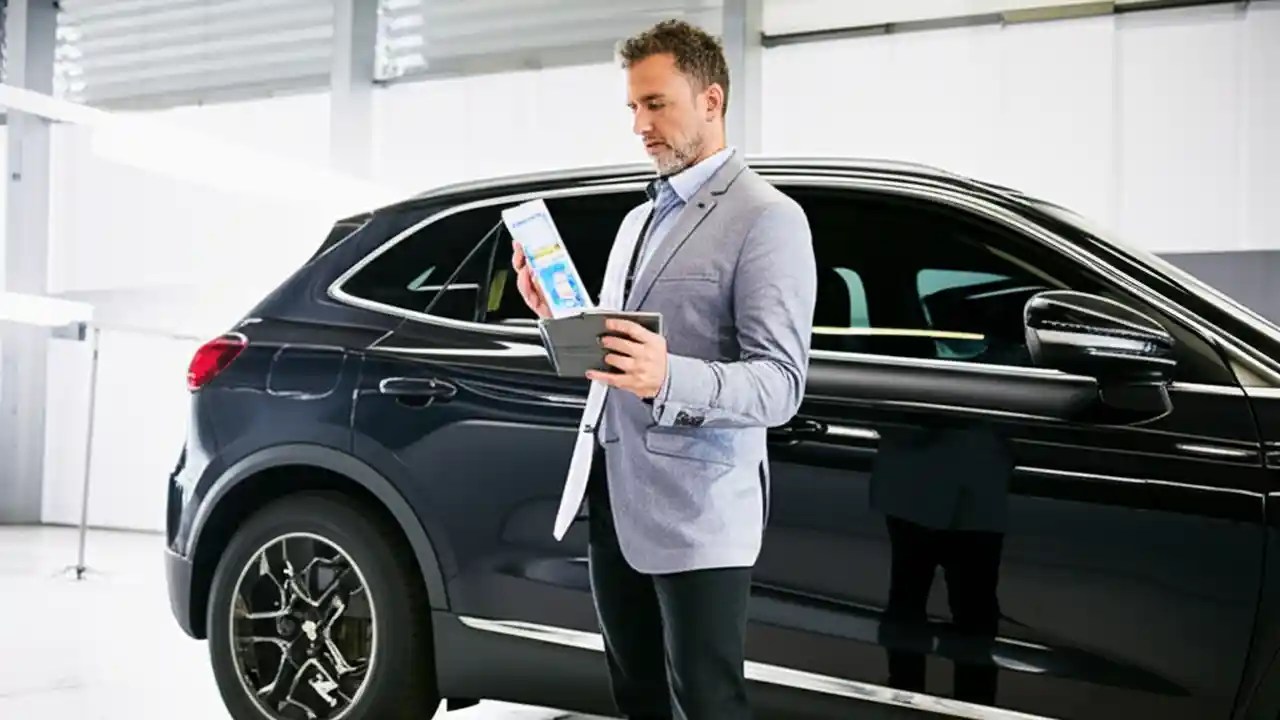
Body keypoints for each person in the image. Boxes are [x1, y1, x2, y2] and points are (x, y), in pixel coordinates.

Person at [511, 18, 816, 720]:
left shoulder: (767, 219)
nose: (639, 126)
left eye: (656, 104)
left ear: (711, 100)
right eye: (632, 107)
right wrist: (555, 318)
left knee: (708, 704)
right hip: (614, 498)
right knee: (637, 699)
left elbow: (780, 384)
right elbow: (615, 357)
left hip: (699, 513)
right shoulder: (636, 222)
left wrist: (669, 377)